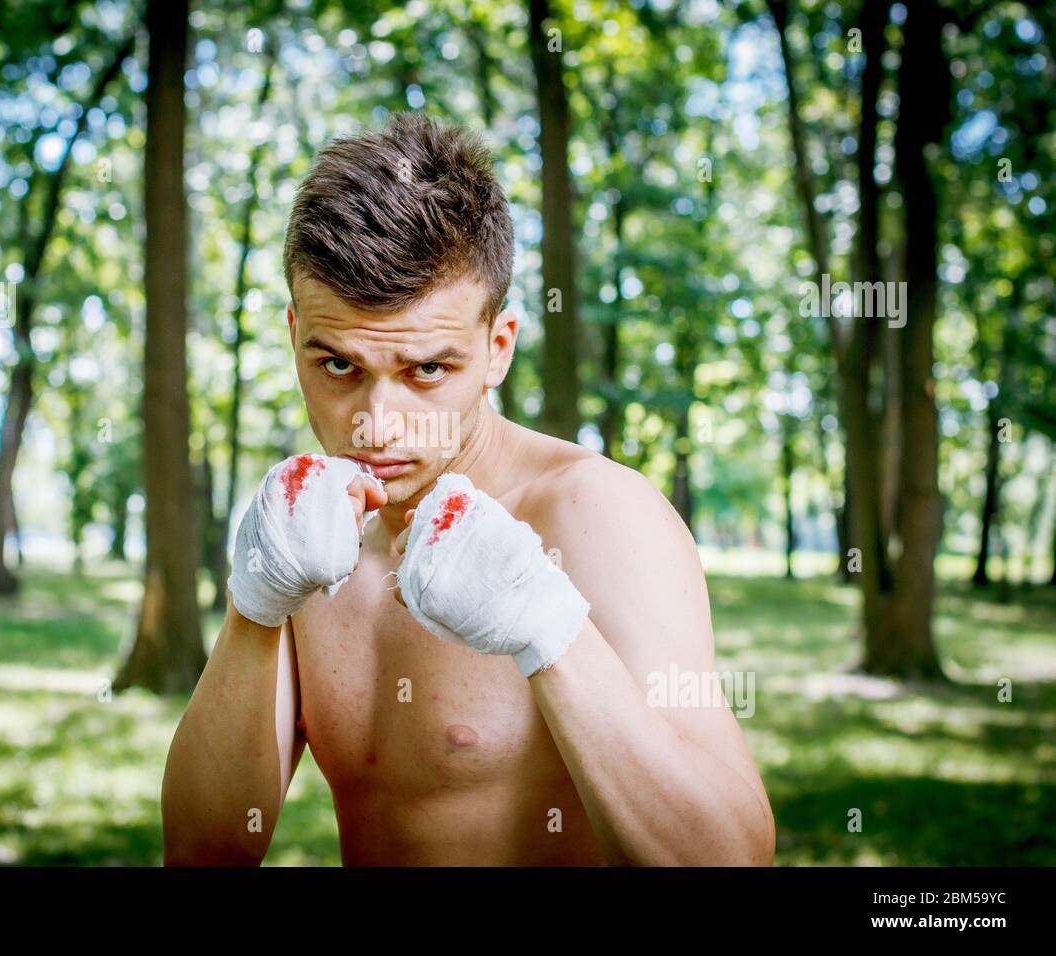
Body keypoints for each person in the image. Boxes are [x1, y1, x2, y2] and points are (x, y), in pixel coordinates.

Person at [161, 112, 775, 866]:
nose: (377, 427)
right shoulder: (308, 532)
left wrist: (549, 627)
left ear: (498, 349)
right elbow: (205, 852)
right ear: (295, 336)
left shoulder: (598, 517)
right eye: (338, 367)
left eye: (427, 370)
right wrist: (256, 604)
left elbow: (730, 861)